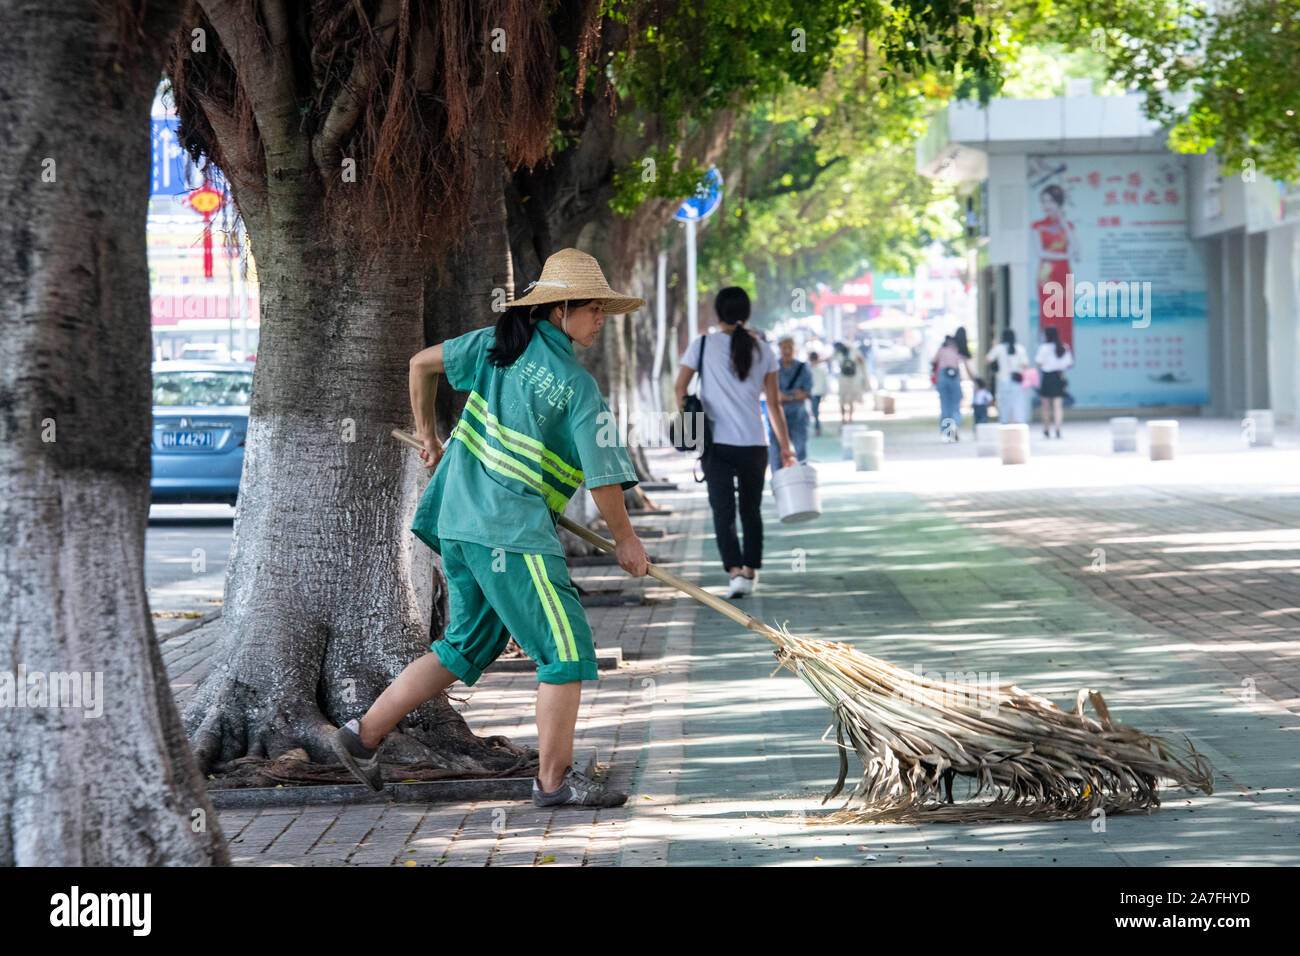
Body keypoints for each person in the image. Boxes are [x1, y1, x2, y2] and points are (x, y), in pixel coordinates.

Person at [332, 248, 647, 809]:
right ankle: (554, 783)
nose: (601, 319)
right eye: (594, 308)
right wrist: (625, 539)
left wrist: (429, 437)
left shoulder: (496, 347)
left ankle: (363, 735)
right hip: (510, 532)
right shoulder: (576, 385)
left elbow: (420, 365)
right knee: (565, 648)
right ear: (559, 311)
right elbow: (603, 478)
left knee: (465, 645)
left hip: (458, 522)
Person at [675, 287, 796, 599]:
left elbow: (680, 388)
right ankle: (751, 571)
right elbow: (774, 405)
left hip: (716, 445)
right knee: (751, 509)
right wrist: (786, 446)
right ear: (747, 314)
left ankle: (735, 572)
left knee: (722, 510)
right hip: (755, 443)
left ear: (718, 314)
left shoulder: (702, 345)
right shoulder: (763, 350)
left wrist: (690, 422)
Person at [1032, 184, 1078, 350]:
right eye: (1044, 201)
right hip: (1046, 275)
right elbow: (1040, 252)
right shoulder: (1038, 225)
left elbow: (1076, 248)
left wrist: (1063, 221)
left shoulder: (1067, 226)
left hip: (1064, 274)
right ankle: (1047, 353)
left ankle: (1065, 353)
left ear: (1059, 203)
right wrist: (1064, 256)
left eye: (1050, 201)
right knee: (1048, 314)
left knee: (1065, 314)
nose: (1047, 205)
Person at [767, 337, 813, 470]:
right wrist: (794, 395)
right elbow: (773, 395)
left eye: (790, 347)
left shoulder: (803, 368)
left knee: (801, 452)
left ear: (795, 349)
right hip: (777, 417)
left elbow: (806, 393)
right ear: (779, 349)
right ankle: (778, 478)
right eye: (784, 347)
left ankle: (802, 476)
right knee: (775, 454)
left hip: (798, 418)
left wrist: (785, 396)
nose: (787, 351)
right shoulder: (773, 368)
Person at [931, 327, 975, 441]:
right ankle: (954, 425)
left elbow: (933, 360)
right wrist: (975, 379)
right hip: (954, 376)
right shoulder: (959, 348)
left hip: (942, 376)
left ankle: (946, 434)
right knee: (955, 406)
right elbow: (967, 368)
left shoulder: (943, 347)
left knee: (945, 406)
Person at [985, 328, 1030, 425]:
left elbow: (987, 360)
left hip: (1003, 379)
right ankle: (1019, 422)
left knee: (1004, 403)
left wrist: (993, 346)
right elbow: (1025, 365)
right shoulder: (1020, 348)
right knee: (1018, 403)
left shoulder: (999, 348)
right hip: (1017, 380)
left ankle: (1005, 422)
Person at [1035, 325, 1074, 438]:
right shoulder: (1063, 347)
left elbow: (1039, 364)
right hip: (1058, 377)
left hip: (1047, 377)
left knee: (1045, 406)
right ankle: (1058, 429)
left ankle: (1046, 429)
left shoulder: (1043, 348)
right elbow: (1069, 364)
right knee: (1058, 406)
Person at [834, 342, 866, 423]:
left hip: (852, 378)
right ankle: (843, 418)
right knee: (842, 400)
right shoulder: (838, 353)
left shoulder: (853, 351)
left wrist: (857, 361)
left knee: (851, 399)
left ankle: (850, 418)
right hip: (843, 378)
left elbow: (862, 360)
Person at [808, 350, 829, 436]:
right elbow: (825, 382)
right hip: (816, 392)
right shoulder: (813, 369)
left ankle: (817, 427)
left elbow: (824, 382)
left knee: (815, 410)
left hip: (814, 392)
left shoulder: (810, 369)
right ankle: (817, 427)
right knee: (815, 410)